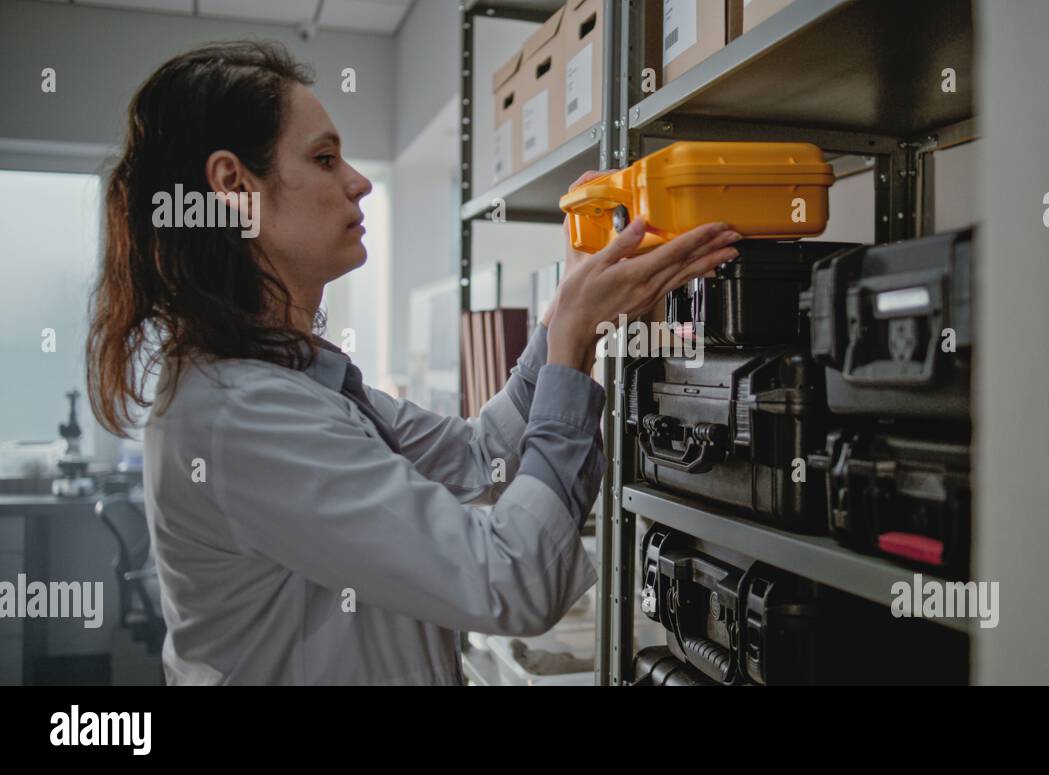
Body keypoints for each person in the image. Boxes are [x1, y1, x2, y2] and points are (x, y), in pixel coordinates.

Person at [85, 41, 741, 685]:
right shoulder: (242, 414)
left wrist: (564, 316)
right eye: (323, 158)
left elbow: (484, 450)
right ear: (234, 186)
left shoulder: (289, 381)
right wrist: (571, 341)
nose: (359, 182)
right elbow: (507, 580)